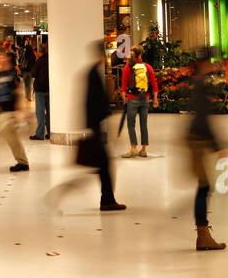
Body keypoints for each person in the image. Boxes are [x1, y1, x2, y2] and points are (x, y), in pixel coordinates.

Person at [46, 41, 124, 212]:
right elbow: (94, 103)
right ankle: (62, 195)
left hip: (94, 128)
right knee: (100, 167)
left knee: (101, 168)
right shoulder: (93, 75)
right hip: (95, 129)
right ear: (101, 55)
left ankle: (107, 199)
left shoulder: (90, 73)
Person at [187, 48, 226, 251]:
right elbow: (203, 118)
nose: (212, 65)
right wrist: (217, 146)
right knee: (204, 187)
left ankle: (203, 234)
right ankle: (203, 236)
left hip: (195, 139)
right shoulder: (201, 84)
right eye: (210, 61)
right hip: (197, 140)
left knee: (204, 186)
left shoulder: (197, 82)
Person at [0, 47, 30, 172]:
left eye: (0, 57)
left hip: (10, 110)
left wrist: (19, 112)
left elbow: (17, 93)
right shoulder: (0, 72)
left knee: (8, 134)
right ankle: (22, 161)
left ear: (6, 58)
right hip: (2, 109)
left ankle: (22, 162)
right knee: (8, 135)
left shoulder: (12, 73)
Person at [119, 46, 159, 157]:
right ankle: (144, 149)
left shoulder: (127, 68)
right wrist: (155, 99)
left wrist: (124, 98)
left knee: (131, 124)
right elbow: (154, 85)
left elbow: (123, 87)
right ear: (141, 54)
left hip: (132, 99)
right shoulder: (148, 67)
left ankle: (133, 148)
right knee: (143, 124)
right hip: (145, 98)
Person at [31, 42, 50, 140]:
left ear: (39, 52)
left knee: (40, 112)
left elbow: (33, 74)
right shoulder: (51, 59)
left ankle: (40, 134)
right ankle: (50, 132)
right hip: (49, 88)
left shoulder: (39, 61)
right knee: (49, 112)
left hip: (40, 89)